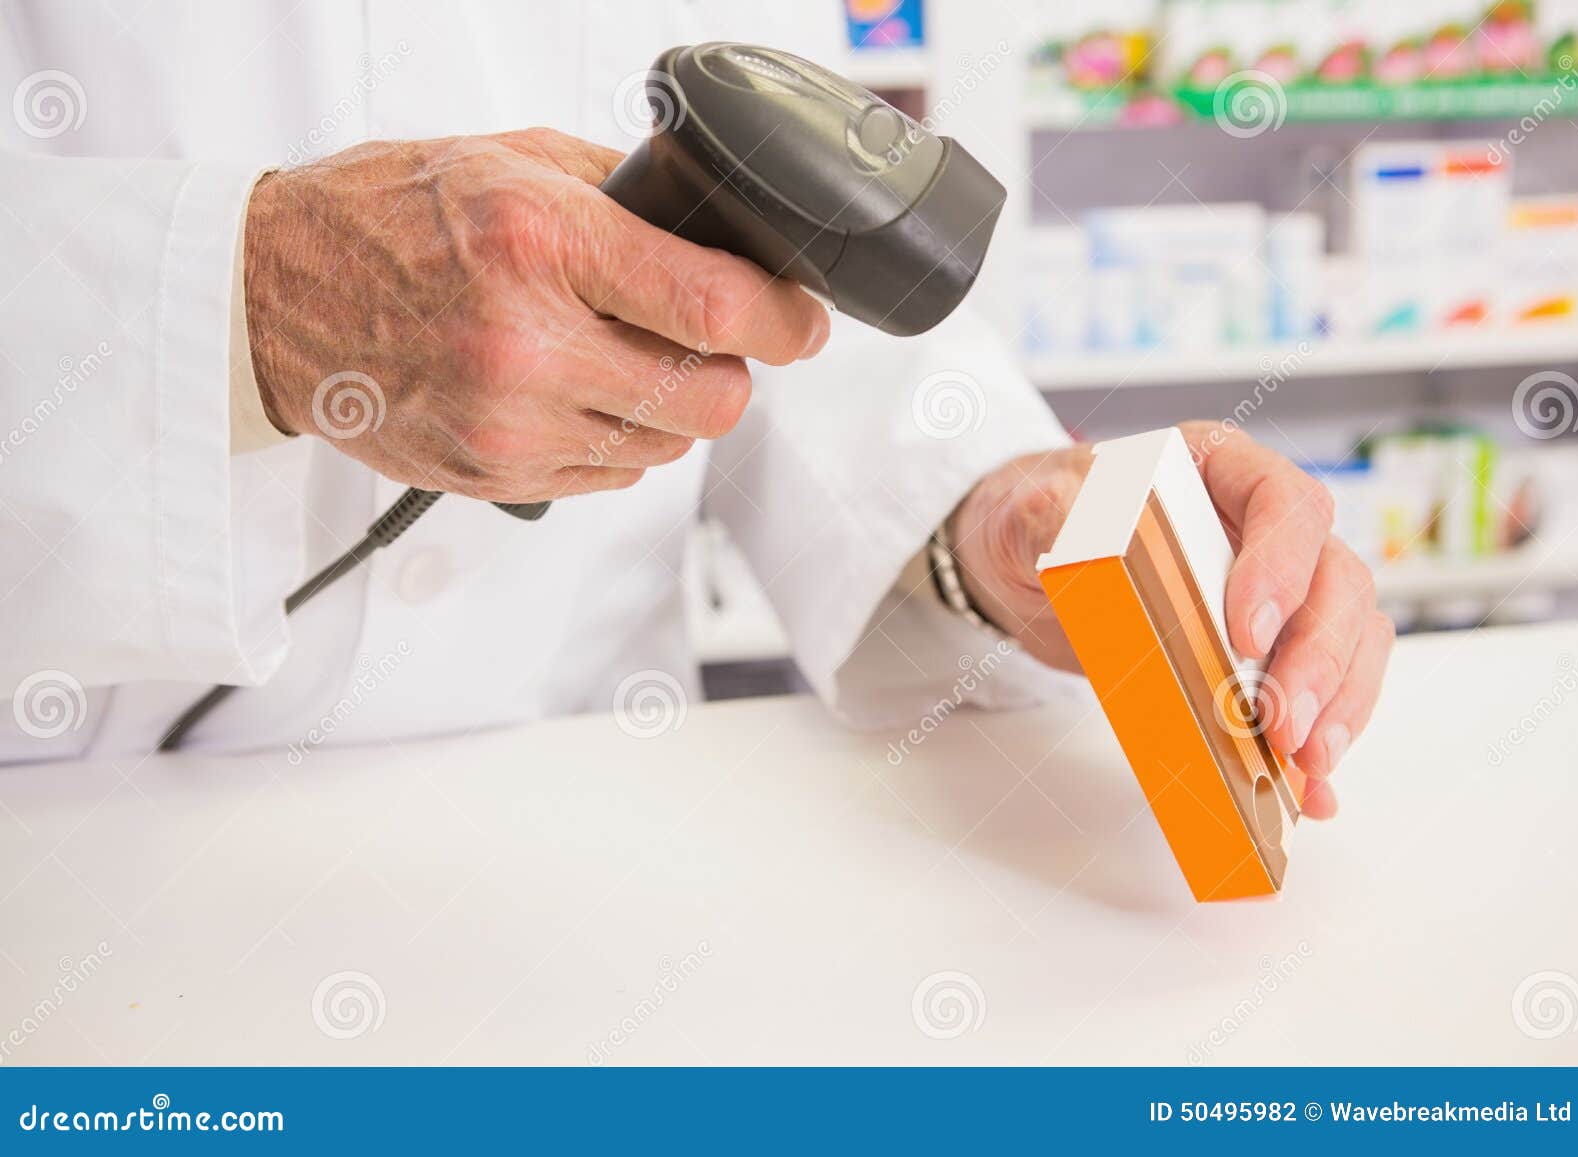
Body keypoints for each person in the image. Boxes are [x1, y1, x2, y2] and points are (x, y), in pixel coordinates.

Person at [0, 2, 1387, 817]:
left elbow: (786, 277)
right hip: (73, 833)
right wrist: (247, 299)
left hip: (596, 815)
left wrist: (991, 515)